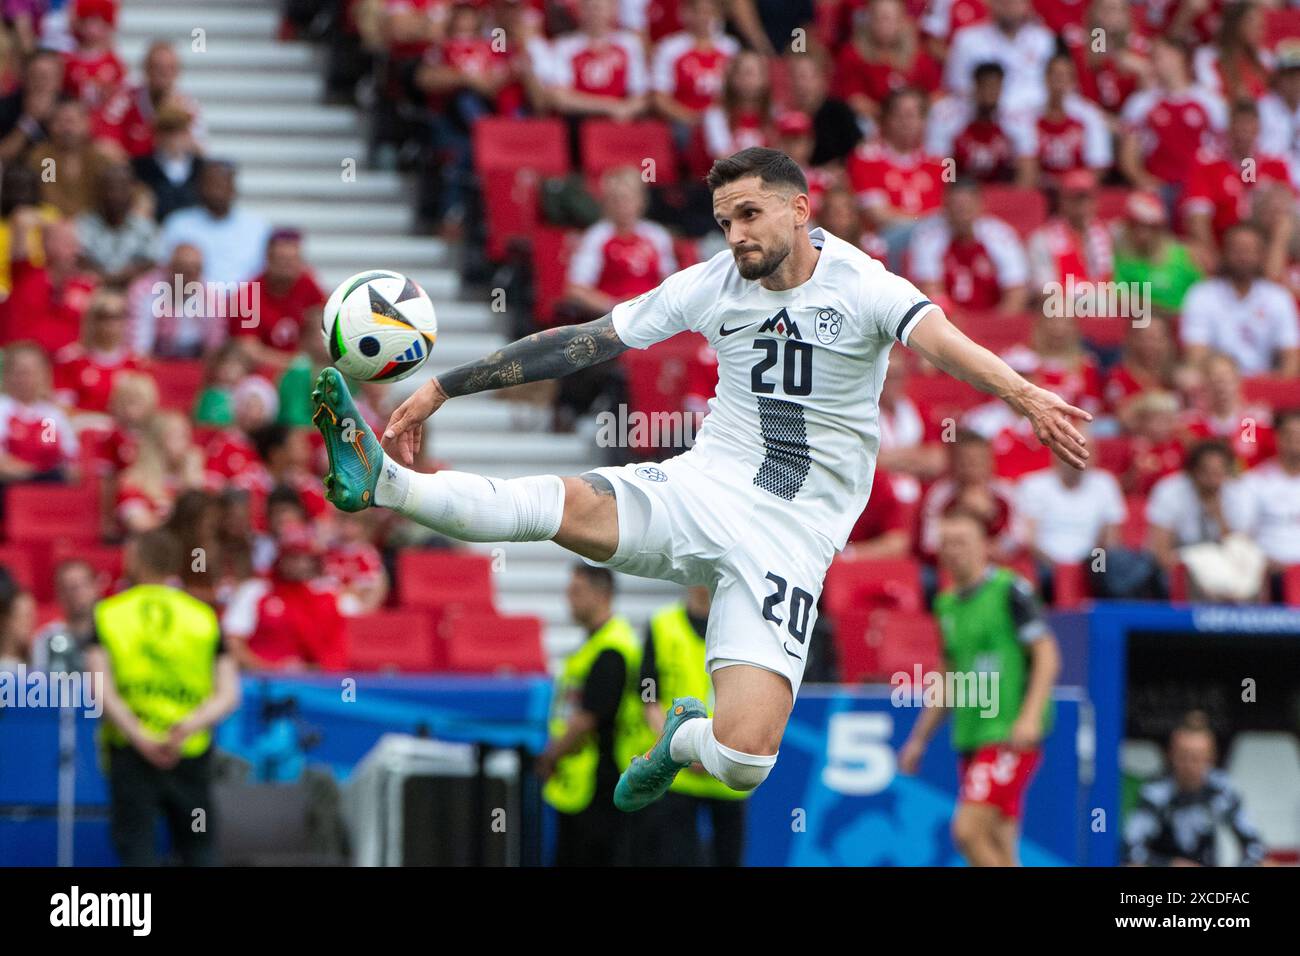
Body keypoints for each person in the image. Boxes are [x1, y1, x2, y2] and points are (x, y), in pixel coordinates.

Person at [311, 146, 1091, 813]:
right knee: (560, 506)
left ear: (799, 208)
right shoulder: (714, 282)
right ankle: (385, 484)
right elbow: (586, 342)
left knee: (746, 761)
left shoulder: (863, 284)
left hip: (792, 535)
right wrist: (445, 387)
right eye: (725, 220)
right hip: (707, 486)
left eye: (750, 214)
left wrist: (1025, 395)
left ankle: (681, 734)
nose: (737, 235)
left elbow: (944, 342)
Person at [899, 510, 1059, 866]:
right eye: (946, 544)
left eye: (962, 542)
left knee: (967, 831)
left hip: (1007, 733)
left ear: (984, 547)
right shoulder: (946, 605)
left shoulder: (1010, 590)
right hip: (971, 734)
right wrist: (920, 739)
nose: (954, 551)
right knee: (998, 841)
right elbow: (948, 677)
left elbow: (1047, 655)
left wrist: (1029, 718)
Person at [86, 528, 240, 866]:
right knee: (199, 851)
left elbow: (99, 688)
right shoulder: (203, 616)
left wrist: (139, 735)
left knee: (136, 852)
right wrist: (186, 726)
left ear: (137, 561)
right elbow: (229, 694)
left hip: (131, 750)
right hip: (189, 751)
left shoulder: (109, 613)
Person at [637, 585, 749, 866]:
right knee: (676, 857)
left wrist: (719, 749)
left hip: (727, 770)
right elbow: (649, 698)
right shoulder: (663, 624)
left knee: (728, 858)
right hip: (679, 772)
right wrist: (680, 747)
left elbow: (752, 699)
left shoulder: (743, 630)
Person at [537, 565, 642, 865]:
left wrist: (550, 756)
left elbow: (588, 718)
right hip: (584, 780)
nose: (568, 599)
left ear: (602, 594)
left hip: (600, 781)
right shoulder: (596, 644)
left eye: (577, 591)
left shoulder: (611, 648)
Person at [1123, 711, 1266, 866]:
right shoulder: (1156, 791)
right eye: (1184, 757)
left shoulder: (1222, 789)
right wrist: (1169, 864)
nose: (1190, 765)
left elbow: (1254, 846)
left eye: (1197, 758)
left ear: (1211, 758)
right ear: (1170, 755)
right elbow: (1131, 848)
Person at [29, 558, 104, 674]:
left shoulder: (114, 632)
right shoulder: (46, 639)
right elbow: (40, 683)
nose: (77, 594)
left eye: (83, 585)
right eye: (69, 588)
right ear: (58, 594)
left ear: (95, 587)